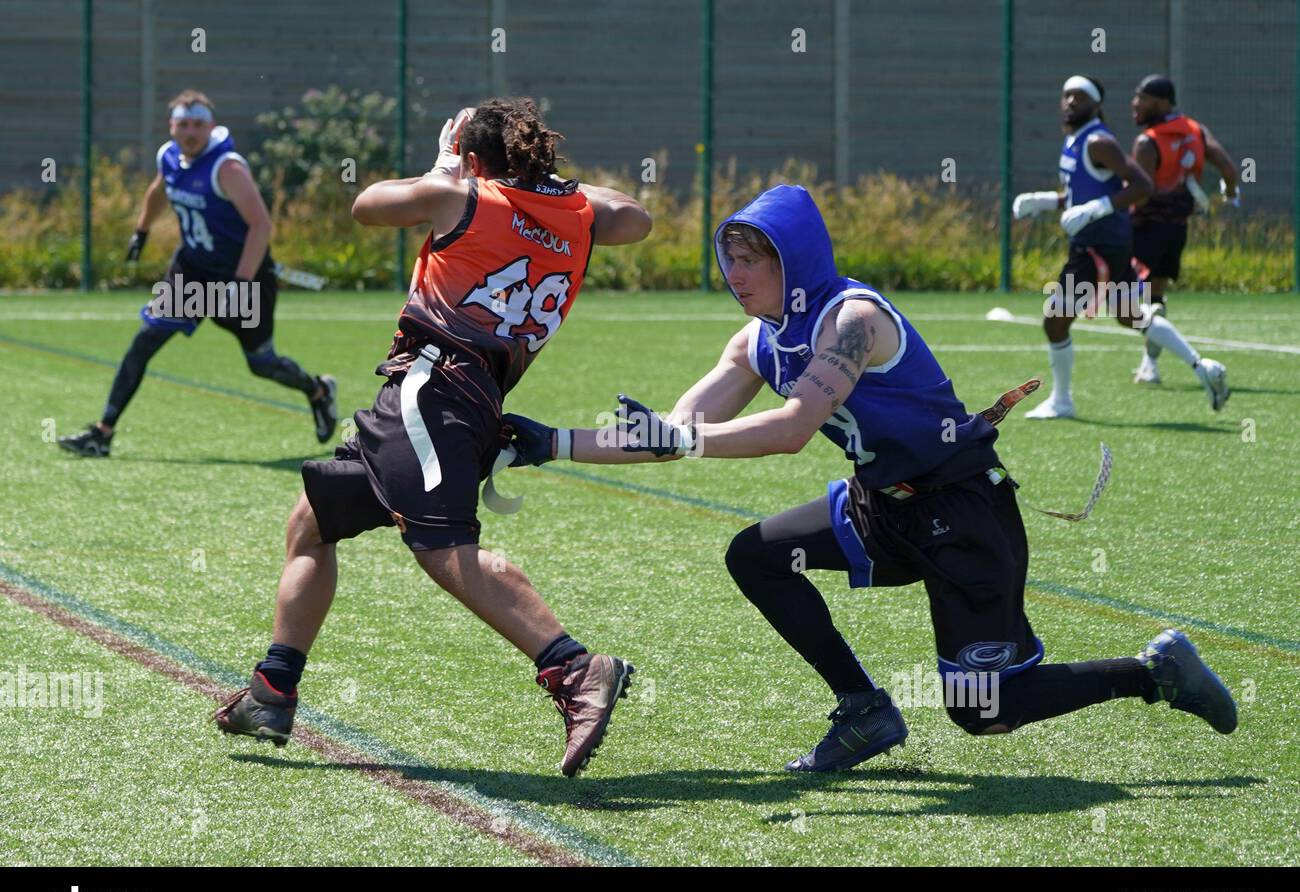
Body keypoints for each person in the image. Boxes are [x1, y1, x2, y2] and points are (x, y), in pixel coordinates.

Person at [503, 183, 1237, 772]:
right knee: (756, 553)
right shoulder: (758, 337)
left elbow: (790, 430)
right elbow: (675, 430)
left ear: (794, 257)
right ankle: (864, 709)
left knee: (984, 711)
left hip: (962, 513)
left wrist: (682, 439)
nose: (734, 277)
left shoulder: (851, 317)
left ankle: (1154, 672)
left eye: (751, 260)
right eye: (728, 259)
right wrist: (552, 441)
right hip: (881, 507)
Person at [214, 98, 651, 777]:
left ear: (474, 161)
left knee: (445, 548)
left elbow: (367, 205)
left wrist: (447, 164)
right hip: (465, 403)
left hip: (432, 390)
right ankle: (274, 690)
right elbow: (636, 216)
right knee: (313, 521)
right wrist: (545, 183)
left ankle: (574, 667)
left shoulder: (460, 194)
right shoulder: (580, 215)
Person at [57, 90, 338, 457]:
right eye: (183, 124)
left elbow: (261, 227)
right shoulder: (170, 157)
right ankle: (102, 433)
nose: (190, 132)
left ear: (212, 127)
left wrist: (240, 283)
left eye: (198, 125)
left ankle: (318, 391)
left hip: (242, 276)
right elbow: (160, 189)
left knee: (261, 363)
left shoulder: (227, 168)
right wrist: (141, 230)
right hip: (192, 273)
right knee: (145, 341)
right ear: (171, 127)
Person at [1013, 75, 1177, 420]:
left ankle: (1061, 401)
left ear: (1096, 104)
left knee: (1055, 321)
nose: (1071, 101)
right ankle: (1201, 364)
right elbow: (1077, 197)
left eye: (1079, 96)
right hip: (1101, 242)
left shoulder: (1098, 141)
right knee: (1130, 316)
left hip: (1096, 244)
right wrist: (1043, 201)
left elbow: (1141, 185)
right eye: (1066, 95)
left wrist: (1095, 209)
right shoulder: (1073, 140)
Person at [1129, 73, 1236, 404]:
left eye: (1141, 98)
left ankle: (1184, 363)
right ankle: (1150, 364)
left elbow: (1140, 193)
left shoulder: (1148, 141)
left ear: (1160, 102)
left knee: (1124, 301)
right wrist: (1230, 193)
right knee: (1155, 293)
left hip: (1143, 229)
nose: (1135, 104)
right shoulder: (1196, 131)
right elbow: (1230, 171)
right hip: (1176, 228)